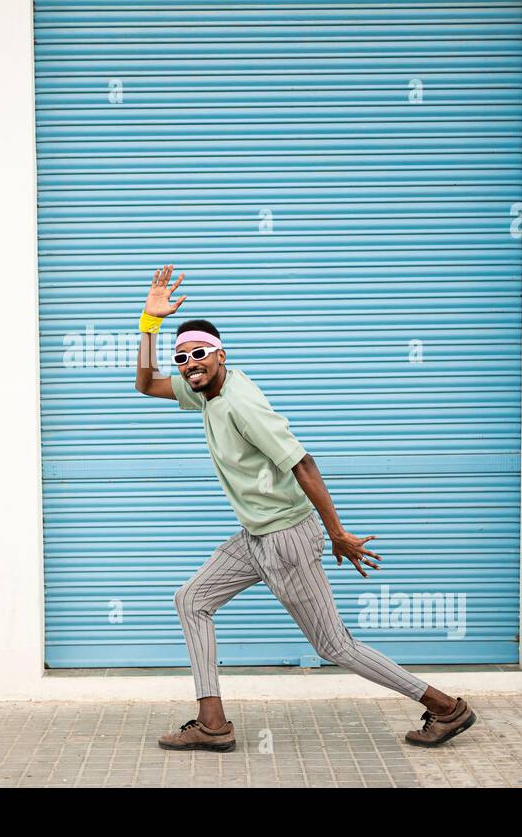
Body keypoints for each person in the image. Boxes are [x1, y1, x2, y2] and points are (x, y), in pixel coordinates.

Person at [133, 264, 477, 751]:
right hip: (257, 537)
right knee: (192, 599)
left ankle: (445, 708)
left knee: (334, 645)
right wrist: (150, 323)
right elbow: (146, 384)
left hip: (286, 537)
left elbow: (304, 464)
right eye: (183, 356)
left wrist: (336, 532)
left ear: (221, 355)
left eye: (200, 355)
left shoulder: (240, 404)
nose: (190, 364)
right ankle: (212, 723)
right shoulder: (204, 387)